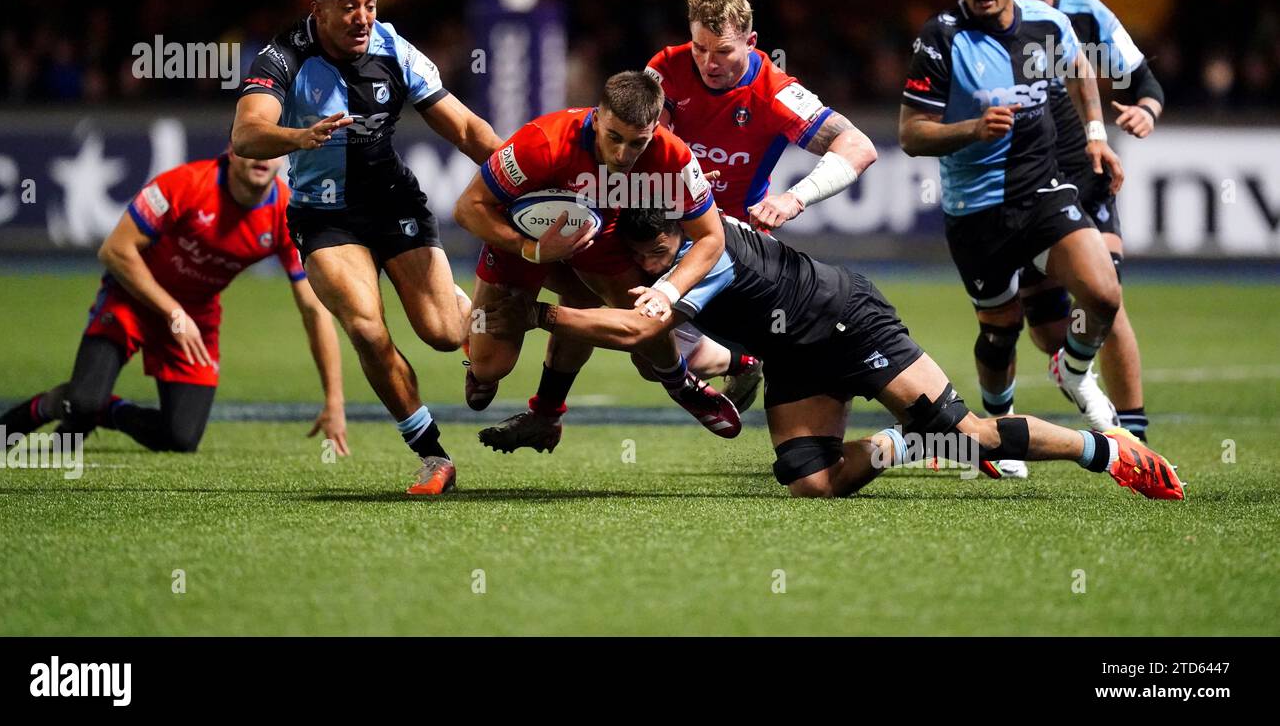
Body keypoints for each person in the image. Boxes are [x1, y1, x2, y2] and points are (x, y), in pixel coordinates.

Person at [480, 208, 1183, 501]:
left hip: (845, 319)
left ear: (680, 235)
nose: (653, 266)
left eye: (660, 252)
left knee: (967, 433)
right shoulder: (677, 234)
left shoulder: (706, 254)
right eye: (643, 257)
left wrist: (535, 314)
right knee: (811, 484)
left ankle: (1109, 450)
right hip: (792, 351)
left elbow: (638, 332)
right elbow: (636, 318)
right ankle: (904, 447)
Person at [232, 0, 501, 495]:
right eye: (348, 7)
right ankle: (433, 459)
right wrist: (298, 137)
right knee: (366, 327)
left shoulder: (394, 49)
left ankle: (464, 314)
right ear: (319, 11)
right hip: (324, 214)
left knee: (445, 335)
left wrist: (520, 178)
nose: (362, 18)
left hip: (392, 203)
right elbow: (246, 135)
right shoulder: (283, 56)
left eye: (371, 6)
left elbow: (467, 129)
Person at [898, 0, 1129, 478]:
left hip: (1042, 192)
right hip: (976, 211)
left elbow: (1079, 69)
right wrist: (971, 130)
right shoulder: (942, 38)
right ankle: (995, 438)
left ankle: (1074, 370)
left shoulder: (1048, 24)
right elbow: (910, 134)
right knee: (1000, 331)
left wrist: (1096, 133)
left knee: (1102, 294)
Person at [0, 152, 346, 455]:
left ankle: (101, 409)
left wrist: (334, 400)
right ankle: (61, 403)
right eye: (252, 145)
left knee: (181, 437)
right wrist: (172, 311)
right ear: (232, 147)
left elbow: (314, 308)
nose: (260, 157)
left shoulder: (288, 213)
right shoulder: (185, 184)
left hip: (196, 317)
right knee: (81, 403)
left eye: (271, 148)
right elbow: (114, 250)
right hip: (131, 298)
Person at [454, 70, 738, 453]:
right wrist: (531, 249)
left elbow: (712, 236)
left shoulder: (672, 156)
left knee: (645, 325)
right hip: (522, 238)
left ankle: (680, 385)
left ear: (655, 128)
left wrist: (667, 294)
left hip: (597, 239)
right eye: (615, 138)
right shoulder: (543, 142)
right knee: (492, 365)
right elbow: (468, 208)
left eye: (638, 143)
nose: (623, 155)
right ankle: (463, 320)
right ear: (597, 116)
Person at [642, 0, 880, 410]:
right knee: (648, 351)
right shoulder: (666, 67)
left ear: (750, 43)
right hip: (673, 228)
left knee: (653, 340)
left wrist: (794, 199)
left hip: (736, 239)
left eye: (723, 51)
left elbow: (860, 147)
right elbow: (645, 140)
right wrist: (677, 171)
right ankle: (742, 361)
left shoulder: (775, 90)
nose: (708, 63)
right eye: (699, 48)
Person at [1003, 0, 1165, 444]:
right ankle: (1069, 363)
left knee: (1106, 296)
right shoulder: (991, 21)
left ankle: (1135, 431)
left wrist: (1146, 109)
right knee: (1049, 330)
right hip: (1022, 181)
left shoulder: (1085, 13)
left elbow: (1145, 81)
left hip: (1084, 169)